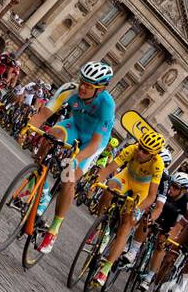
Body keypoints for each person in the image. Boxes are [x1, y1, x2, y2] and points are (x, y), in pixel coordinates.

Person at [23, 62, 118, 255]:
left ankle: (53, 230)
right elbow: (44, 113)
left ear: (100, 90)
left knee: (69, 178)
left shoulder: (107, 105)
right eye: (83, 82)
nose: (83, 87)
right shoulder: (70, 89)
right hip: (73, 126)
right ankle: (40, 187)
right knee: (50, 137)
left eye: (89, 86)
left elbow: (94, 145)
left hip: (92, 141)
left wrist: (75, 159)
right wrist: (27, 128)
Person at [89, 128, 166, 289]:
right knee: (110, 188)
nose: (140, 152)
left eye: (145, 151)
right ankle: (102, 226)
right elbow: (109, 169)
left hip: (142, 189)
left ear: (153, 154)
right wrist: (96, 182)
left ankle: (106, 269)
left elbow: (151, 196)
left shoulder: (158, 165)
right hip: (126, 177)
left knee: (127, 223)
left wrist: (138, 209)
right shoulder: (132, 149)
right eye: (140, 147)